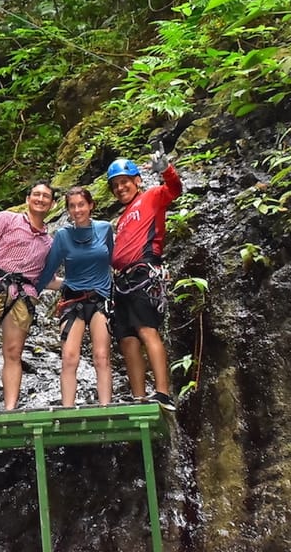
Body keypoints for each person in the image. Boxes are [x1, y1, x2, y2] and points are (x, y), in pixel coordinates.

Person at [0, 181, 56, 411]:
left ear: (53, 204)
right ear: (27, 199)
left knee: (14, 352)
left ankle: (10, 408)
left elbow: (47, 279)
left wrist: (78, 283)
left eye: (46, 196)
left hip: (25, 295)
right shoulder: (6, 219)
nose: (40, 199)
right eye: (36, 194)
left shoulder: (50, 243)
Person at [107, 147, 182, 411]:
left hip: (143, 274)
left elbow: (174, 190)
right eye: (115, 185)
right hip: (123, 281)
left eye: (124, 182)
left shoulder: (152, 196)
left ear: (137, 180)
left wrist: (165, 169)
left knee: (147, 330)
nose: (120, 188)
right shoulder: (122, 219)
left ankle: (162, 392)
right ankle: (139, 397)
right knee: (127, 339)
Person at [36, 187, 114, 407]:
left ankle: (106, 408)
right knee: (69, 357)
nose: (77, 210)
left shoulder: (105, 229)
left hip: (100, 299)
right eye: (72, 206)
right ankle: (68, 409)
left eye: (81, 204)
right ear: (68, 210)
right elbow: (48, 271)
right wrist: (32, 293)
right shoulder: (62, 236)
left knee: (101, 356)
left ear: (91, 205)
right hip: (72, 301)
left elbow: (112, 260)